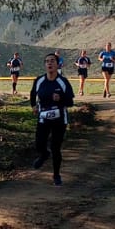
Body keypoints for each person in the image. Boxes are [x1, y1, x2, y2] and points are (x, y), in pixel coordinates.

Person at [29, 53, 74, 184]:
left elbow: (70, 102)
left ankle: (56, 175)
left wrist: (61, 99)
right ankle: (44, 154)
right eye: (47, 61)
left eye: (52, 61)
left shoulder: (63, 82)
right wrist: (33, 106)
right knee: (39, 143)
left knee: (56, 147)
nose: (49, 64)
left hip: (59, 119)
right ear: (45, 65)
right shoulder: (39, 80)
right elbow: (33, 94)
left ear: (57, 64)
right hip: (43, 117)